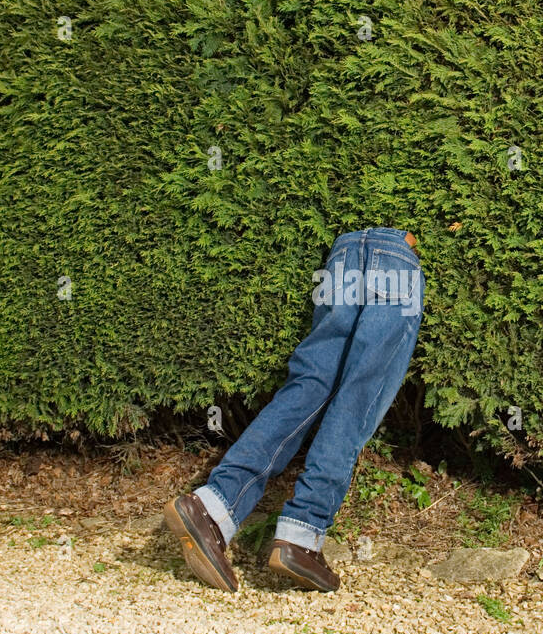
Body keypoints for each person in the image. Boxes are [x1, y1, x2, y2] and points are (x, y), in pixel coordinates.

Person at [164, 227, 424, 593]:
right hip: (398, 258)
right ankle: (301, 535)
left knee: (309, 385)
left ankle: (213, 507)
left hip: (344, 256)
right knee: (357, 401)